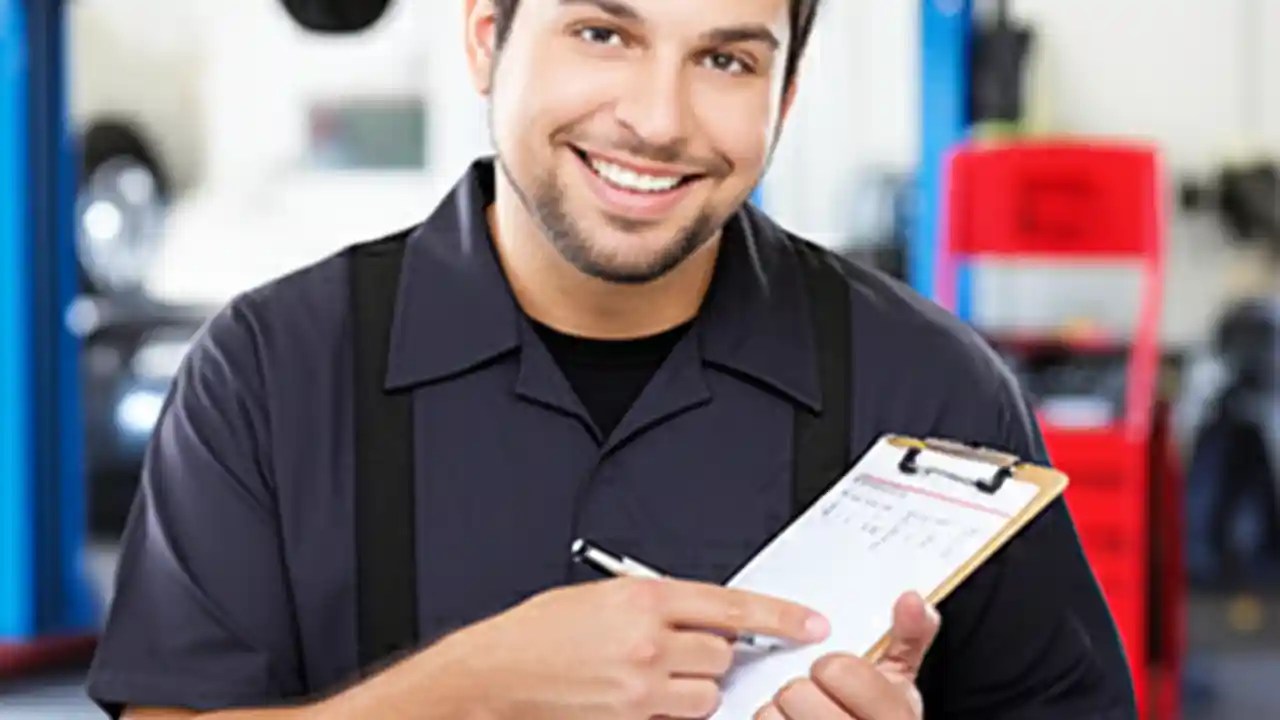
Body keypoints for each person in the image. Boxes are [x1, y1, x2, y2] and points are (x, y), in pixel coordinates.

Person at [87, 0, 1137, 718]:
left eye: (725, 58)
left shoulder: (934, 390)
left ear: (786, 89)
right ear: (486, 37)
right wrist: (473, 688)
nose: (654, 119)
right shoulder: (268, 375)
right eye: (601, 31)